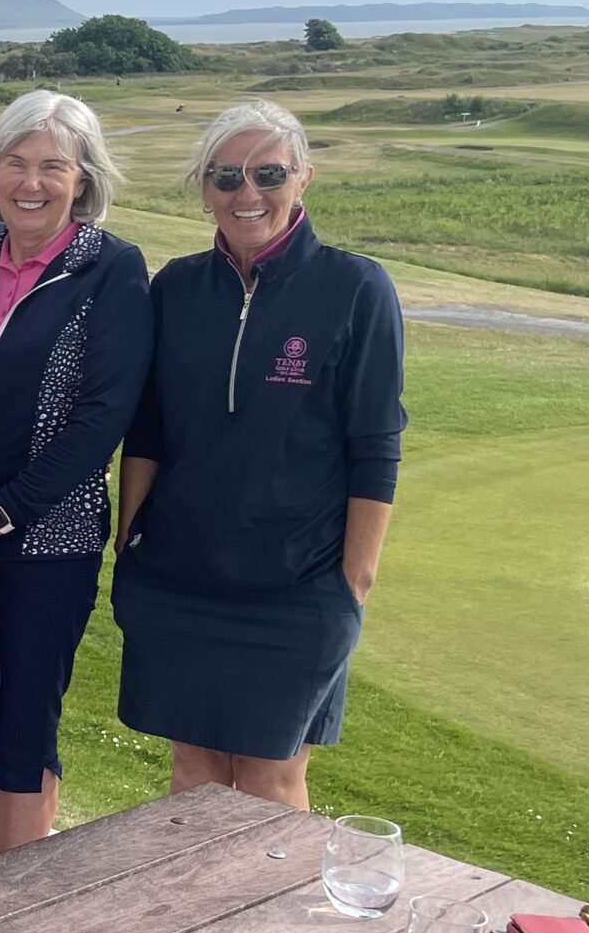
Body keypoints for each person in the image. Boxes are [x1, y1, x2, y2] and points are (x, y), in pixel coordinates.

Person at [114, 99, 405, 808]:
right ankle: (201, 924)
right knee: (194, 774)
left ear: (303, 178)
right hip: (179, 579)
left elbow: (375, 444)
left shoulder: (355, 288)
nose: (247, 194)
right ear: (204, 187)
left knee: (272, 778)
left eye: (268, 173)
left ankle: (268, 926)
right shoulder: (177, 286)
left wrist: (353, 581)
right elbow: (148, 431)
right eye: (225, 176)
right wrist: (129, 544)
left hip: (296, 587)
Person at [0, 90, 152, 858]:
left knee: (21, 730)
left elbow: (99, 424)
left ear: (83, 178)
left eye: (53, 165)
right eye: (15, 161)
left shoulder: (110, 268)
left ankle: (9, 917)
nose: (31, 180)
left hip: (46, 544)